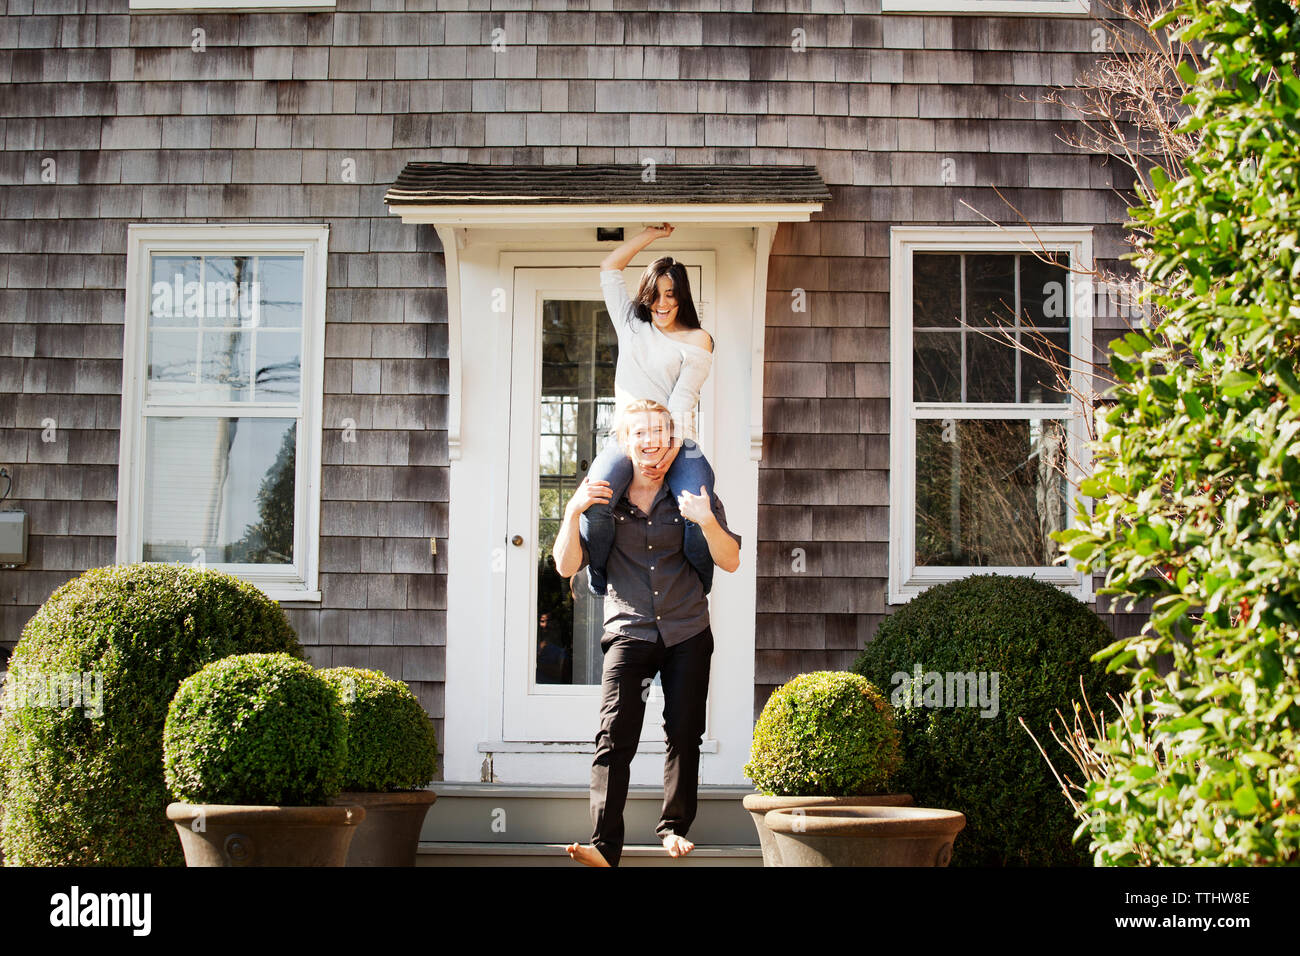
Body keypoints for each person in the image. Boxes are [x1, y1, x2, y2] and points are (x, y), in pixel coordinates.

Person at [552, 399, 742, 867]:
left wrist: (707, 520)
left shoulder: (693, 495)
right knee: (614, 736)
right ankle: (603, 845)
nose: (652, 441)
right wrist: (572, 510)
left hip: (687, 629)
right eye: (641, 433)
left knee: (684, 731)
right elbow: (564, 566)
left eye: (661, 432)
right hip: (630, 629)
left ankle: (674, 828)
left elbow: (731, 560)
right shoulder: (604, 501)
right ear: (626, 442)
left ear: (673, 442)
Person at [582, 224, 721, 597]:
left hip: (678, 442)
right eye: (656, 294)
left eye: (671, 294)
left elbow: (682, 400)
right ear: (646, 295)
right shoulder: (631, 325)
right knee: (594, 506)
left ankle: (701, 584)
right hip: (626, 442)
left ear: (682, 297)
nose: (663, 303)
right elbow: (610, 267)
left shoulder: (697, 340)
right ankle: (598, 577)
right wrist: (650, 236)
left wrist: (668, 451)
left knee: (697, 513)